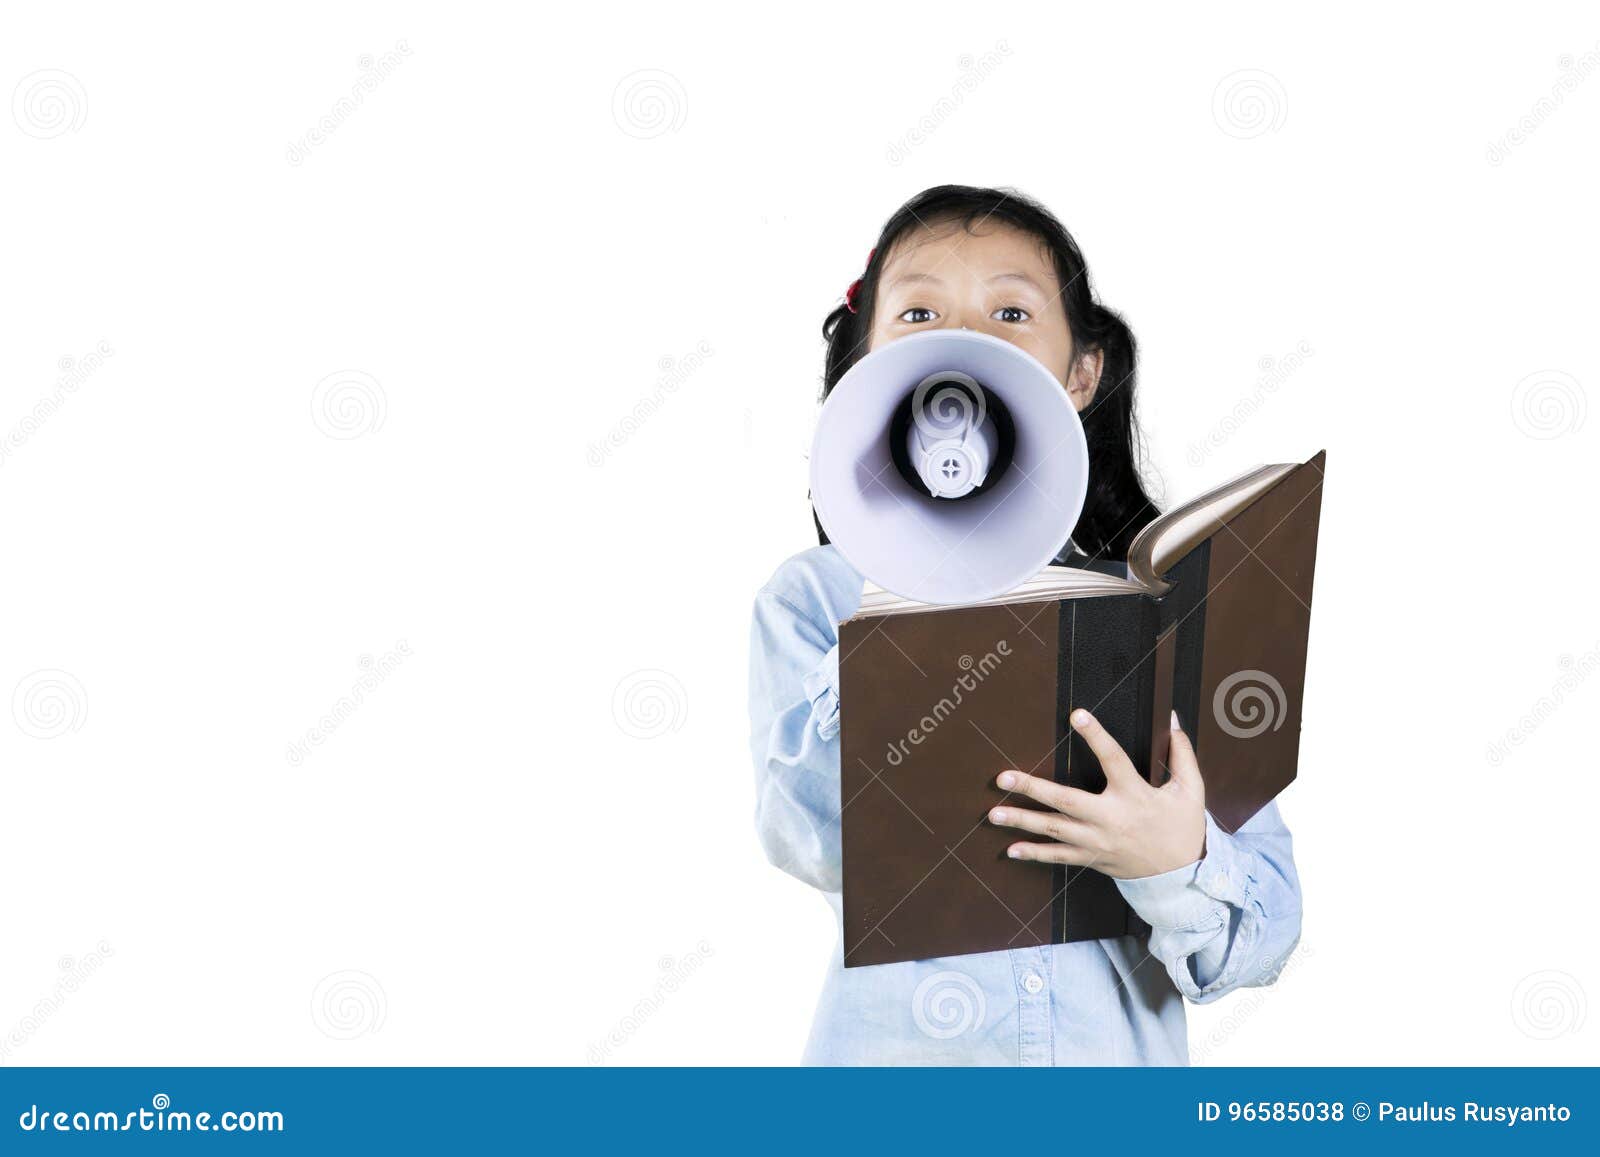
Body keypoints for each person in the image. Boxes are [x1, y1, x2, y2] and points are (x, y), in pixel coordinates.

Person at [747, 185, 1303, 1065]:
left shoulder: (1157, 609)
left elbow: (1261, 935)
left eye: (1010, 310)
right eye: (921, 310)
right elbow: (808, 838)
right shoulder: (817, 598)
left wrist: (1172, 858)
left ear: (1080, 373)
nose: (963, 339)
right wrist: (907, 597)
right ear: (866, 364)